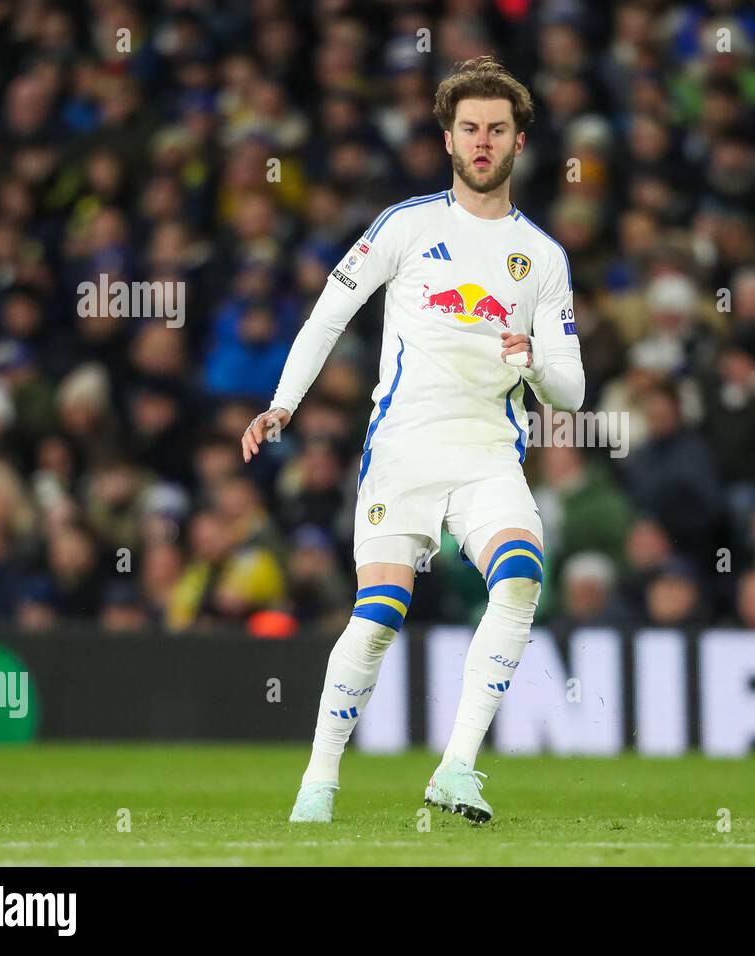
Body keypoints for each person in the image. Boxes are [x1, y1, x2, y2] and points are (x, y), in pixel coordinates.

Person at [242, 58, 584, 825]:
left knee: (523, 577)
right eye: (470, 128)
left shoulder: (545, 258)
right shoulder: (406, 225)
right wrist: (282, 404)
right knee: (378, 618)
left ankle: (457, 767)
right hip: (403, 449)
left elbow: (574, 389)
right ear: (448, 139)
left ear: (520, 141)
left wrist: (536, 364)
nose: (483, 141)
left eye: (497, 128)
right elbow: (329, 314)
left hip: (488, 454)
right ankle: (318, 785)